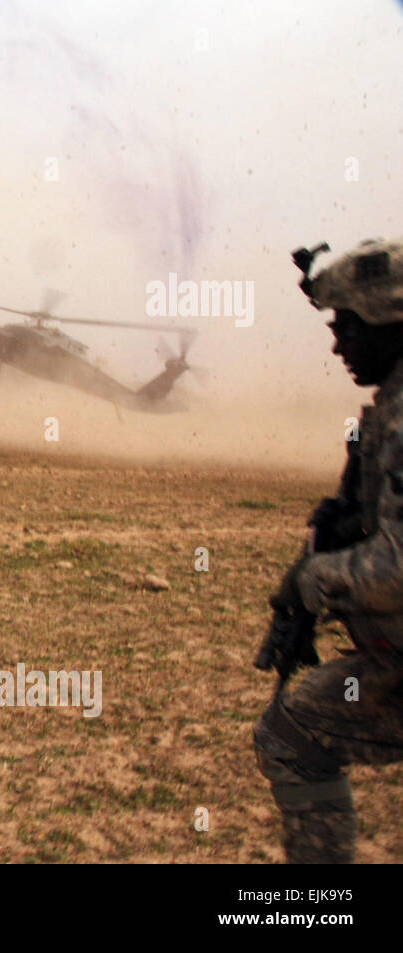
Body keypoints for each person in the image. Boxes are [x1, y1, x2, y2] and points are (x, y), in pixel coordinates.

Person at [254, 237, 403, 862]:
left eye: (347, 324)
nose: (338, 344)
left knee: (294, 733)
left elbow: (396, 571)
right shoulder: (387, 413)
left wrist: (311, 579)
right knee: (292, 730)